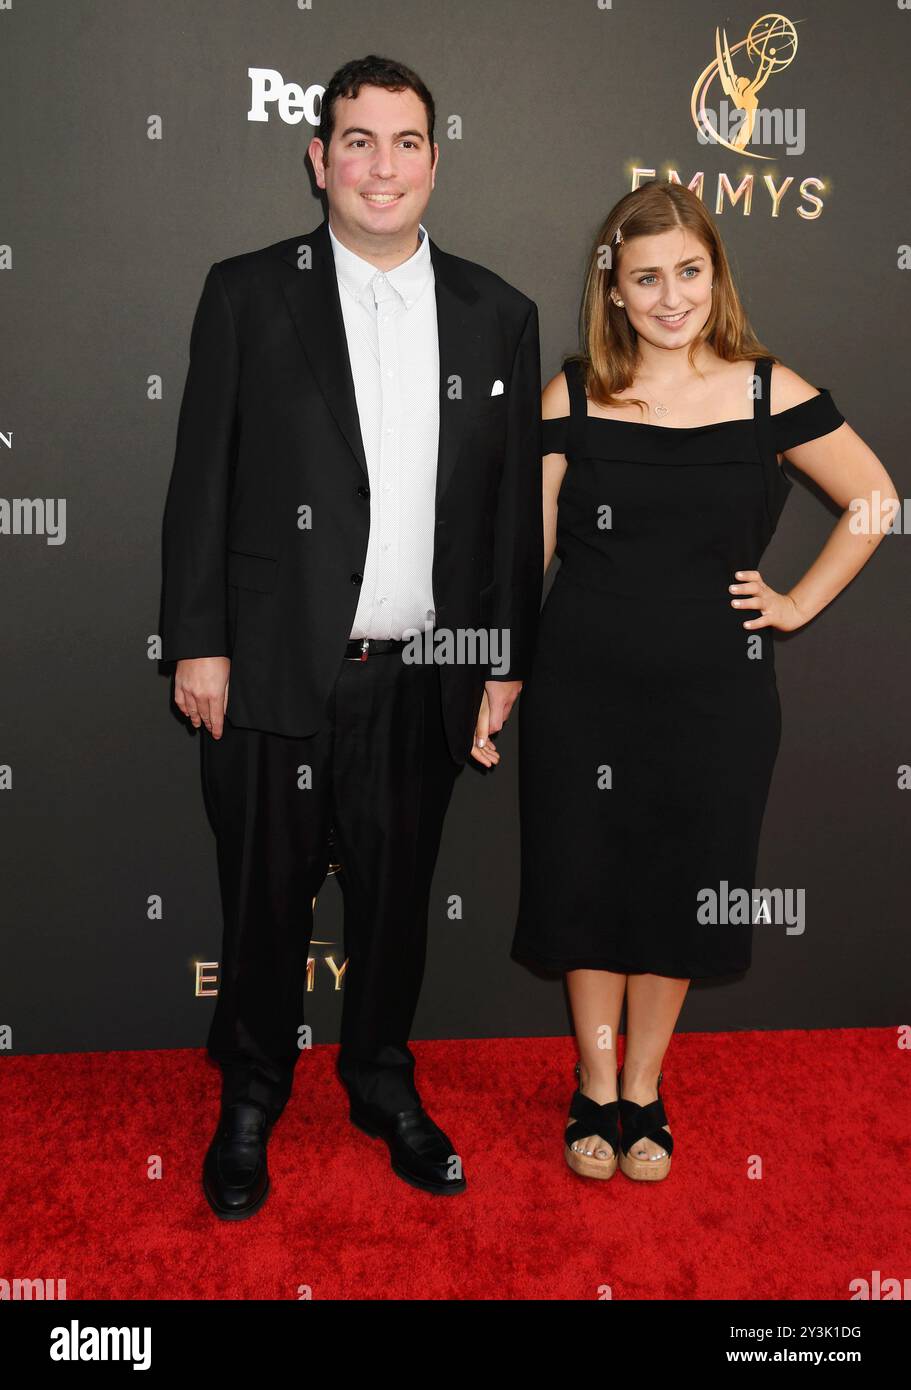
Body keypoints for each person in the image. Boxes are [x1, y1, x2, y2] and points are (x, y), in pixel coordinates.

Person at [159, 54, 542, 1218]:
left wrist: (502, 657)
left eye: (407, 141)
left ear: (435, 157)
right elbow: (201, 483)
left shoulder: (496, 311)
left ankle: (380, 1081)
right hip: (272, 661)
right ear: (318, 158)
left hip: (422, 672)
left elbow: (508, 505)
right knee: (264, 898)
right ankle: (252, 1096)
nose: (384, 165)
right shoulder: (244, 291)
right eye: (358, 141)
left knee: (393, 901)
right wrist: (197, 639)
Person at [512, 180, 897, 1183]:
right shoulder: (573, 393)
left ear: (714, 272)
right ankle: (592, 1088)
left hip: (715, 699)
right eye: (645, 276)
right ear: (614, 289)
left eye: (687, 270)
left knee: (684, 886)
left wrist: (797, 603)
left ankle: (644, 1089)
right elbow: (528, 551)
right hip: (579, 685)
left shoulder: (768, 391)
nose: (669, 295)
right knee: (585, 882)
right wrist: (495, 673)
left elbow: (874, 497)